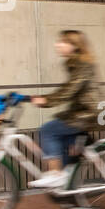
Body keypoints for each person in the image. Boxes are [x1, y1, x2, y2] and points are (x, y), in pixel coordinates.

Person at [28, 29, 100, 189]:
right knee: (63, 143)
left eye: (63, 42)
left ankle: (55, 174)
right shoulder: (75, 63)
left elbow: (70, 90)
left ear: (74, 45)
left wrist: (46, 100)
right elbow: (68, 89)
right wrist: (45, 98)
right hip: (79, 112)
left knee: (48, 130)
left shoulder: (83, 64)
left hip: (86, 113)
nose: (57, 44)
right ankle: (68, 183)